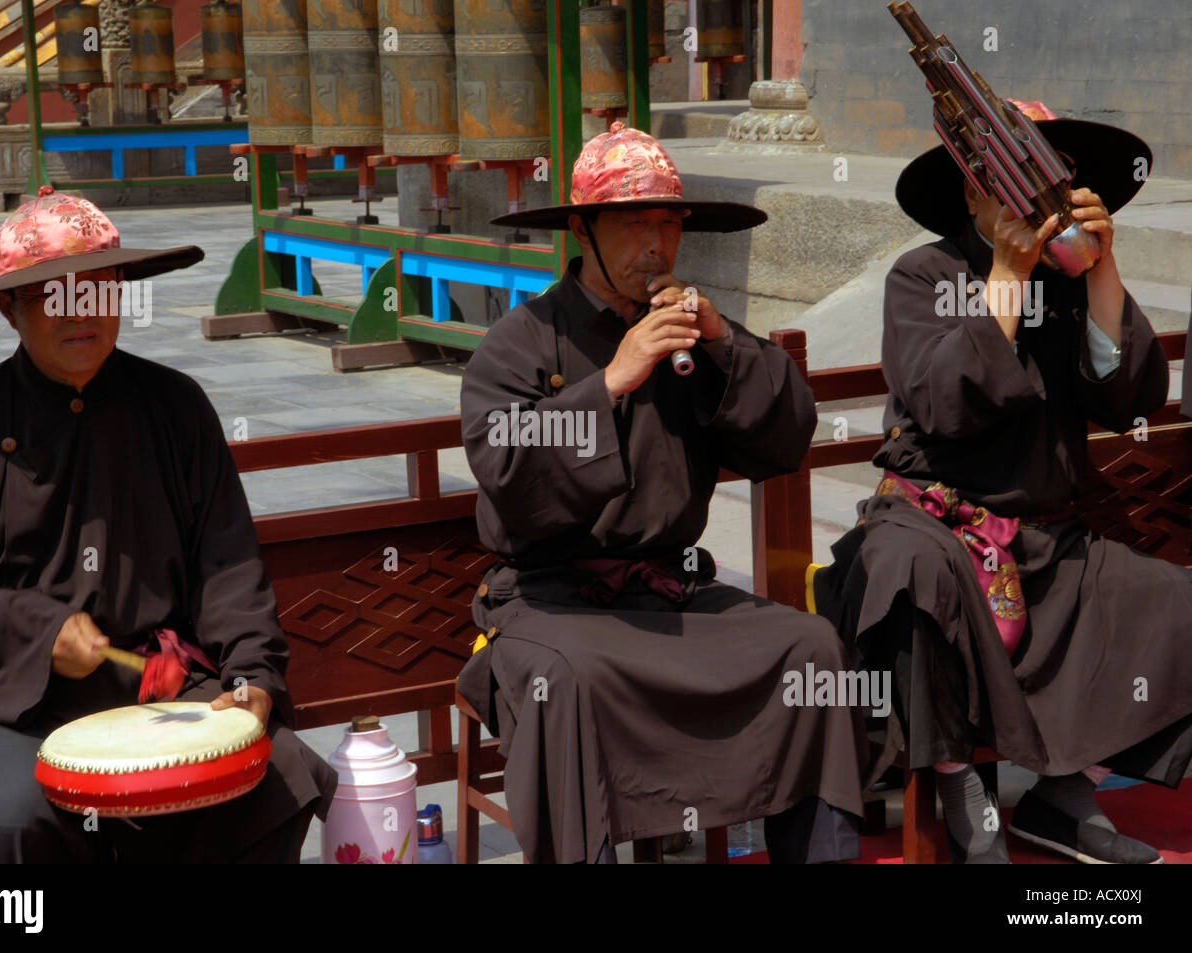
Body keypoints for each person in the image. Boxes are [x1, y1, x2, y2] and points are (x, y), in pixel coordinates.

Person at [457, 122, 867, 864]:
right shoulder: (517, 341)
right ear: (581, 230)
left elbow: (786, 437)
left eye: (670, 223)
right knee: (567, 682)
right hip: (550, 601)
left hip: (670, 590)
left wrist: (723, 348)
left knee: (811, 647)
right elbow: (509, 474)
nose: (657, 243)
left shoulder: (689, 332)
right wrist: (612, 377)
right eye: (636, 223)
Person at [0, 187, 336, 862]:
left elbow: (229, 568)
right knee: (20, 815)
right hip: (10, 701)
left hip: (158, 682)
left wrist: (251, 675)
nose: (82, 313)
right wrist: (39, 632)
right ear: (7, 307)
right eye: (52, 294)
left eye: (98, 289)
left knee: (281, 773)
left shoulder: (175, 407)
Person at [812, 110, 1192, 863]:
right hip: (933, 523)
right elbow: (945, 405)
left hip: (1047, 537)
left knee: (1177, 602)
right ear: (974, 191)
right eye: (1012, 180)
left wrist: (1103, 265)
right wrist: (1007, 279)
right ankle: (962, 789)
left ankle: (1064, 793)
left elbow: (1128, 399)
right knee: (909, 578)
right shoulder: (922, 275)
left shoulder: (1073, 274)